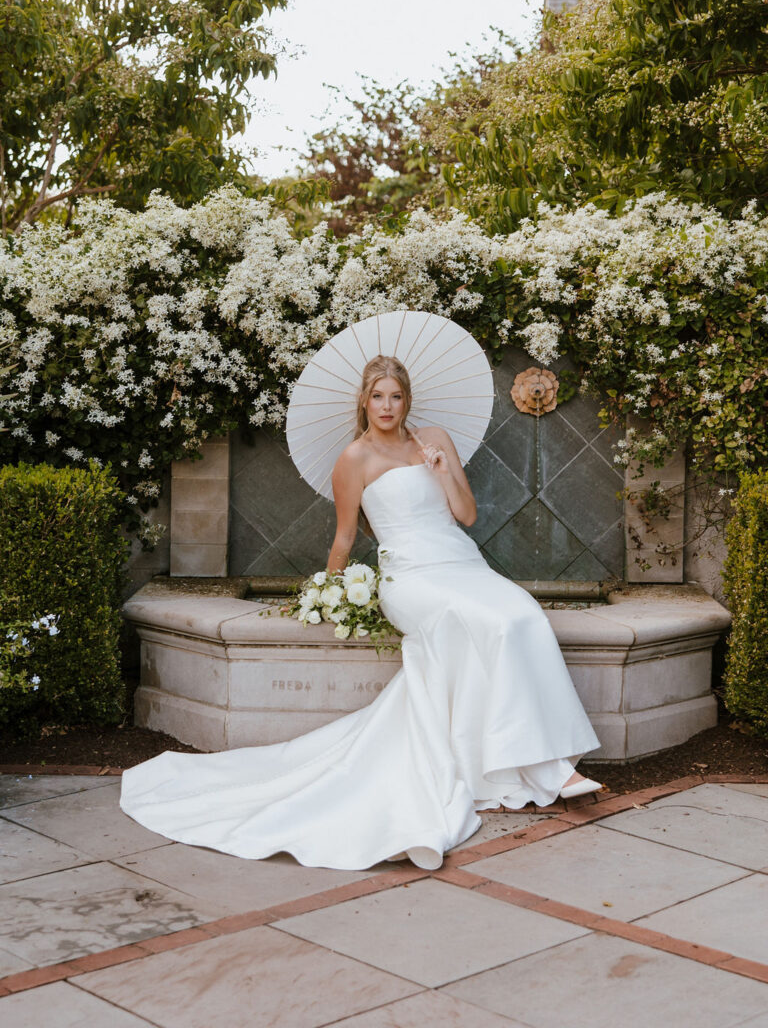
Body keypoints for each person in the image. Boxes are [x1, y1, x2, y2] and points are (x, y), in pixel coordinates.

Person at [120, 354, 602, 870]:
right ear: (364, 401)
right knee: (493, 624)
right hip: (411, 578)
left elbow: (466, 515)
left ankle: (536, 762)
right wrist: (324, 593)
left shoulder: (433, 438)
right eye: (377, 397)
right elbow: (346, 537)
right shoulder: (354, 459)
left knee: (522, 615)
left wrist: (443, 472)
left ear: (407, 399)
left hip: (462, 563)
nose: (387, 406)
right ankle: (554, 771)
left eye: (395, 396)